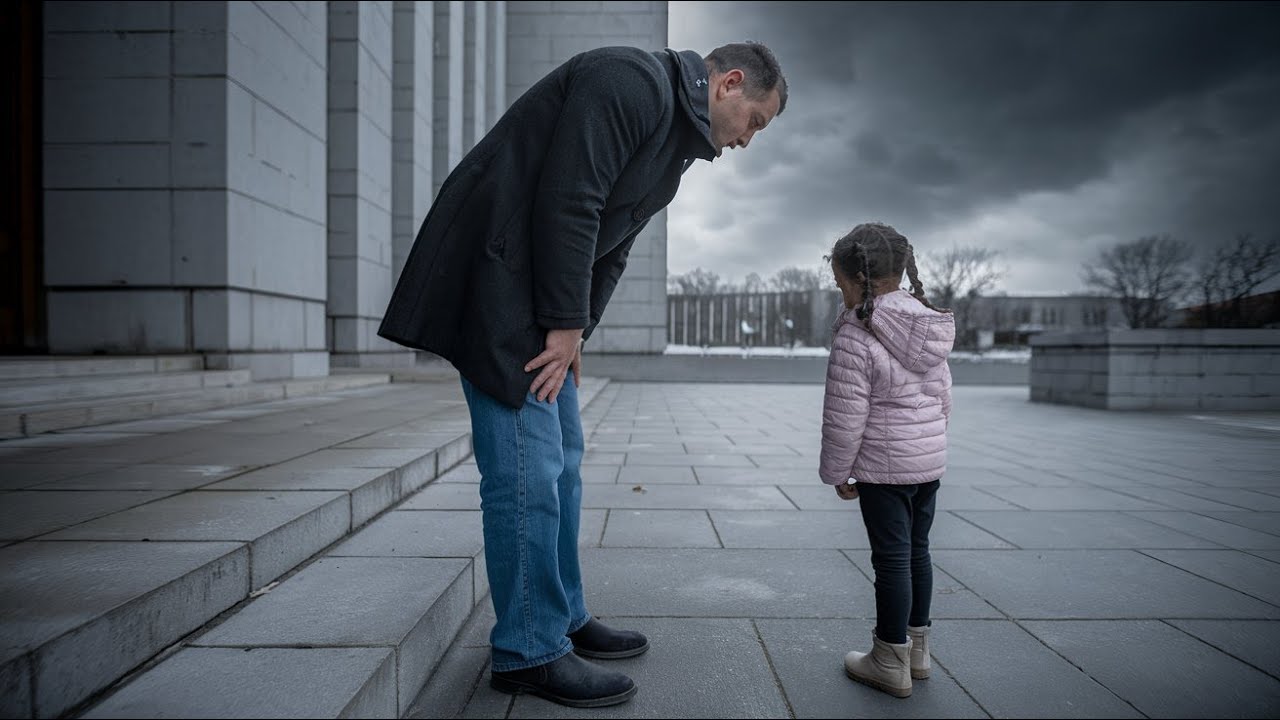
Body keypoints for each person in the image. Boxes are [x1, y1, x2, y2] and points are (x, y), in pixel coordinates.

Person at [378, 43, 787, 708]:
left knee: (563, 457)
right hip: (499, 278)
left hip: (540, 297)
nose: (748, 140)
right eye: (756, 122)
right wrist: (564, 322)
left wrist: (577, 332)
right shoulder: (630, 81)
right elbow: (572, 201)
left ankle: (561, 615)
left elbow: (612, 248)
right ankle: (528, 649)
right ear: (729, 83)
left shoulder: (674, 149)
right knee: (526, 468)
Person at [818, 222, 954, 699]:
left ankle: (888, 659)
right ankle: (918, 653)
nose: (841, 294)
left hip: (884, 468)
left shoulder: (858, 331)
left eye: (840, 284)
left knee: (891, 560)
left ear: (859, 280)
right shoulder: (926, 322)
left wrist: (838, 471)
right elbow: (943, 396)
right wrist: (930, 443)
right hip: (927, 463)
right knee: (918, 552)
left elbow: (845, 415)